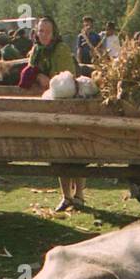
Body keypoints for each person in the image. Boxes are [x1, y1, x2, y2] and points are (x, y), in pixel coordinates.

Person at [24, 16, 84, 212]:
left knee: (75, 150)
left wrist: (44, 78)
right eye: (40, 31)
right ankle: (66, 196)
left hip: (68, 105)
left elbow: (65, 80)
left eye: (47, 31)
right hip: (48, 105)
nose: (43, 35)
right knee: (57, 152)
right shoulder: (36, 50)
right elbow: (31, 72)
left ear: (54, 33)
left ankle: (79, 195)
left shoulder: (61, 50)